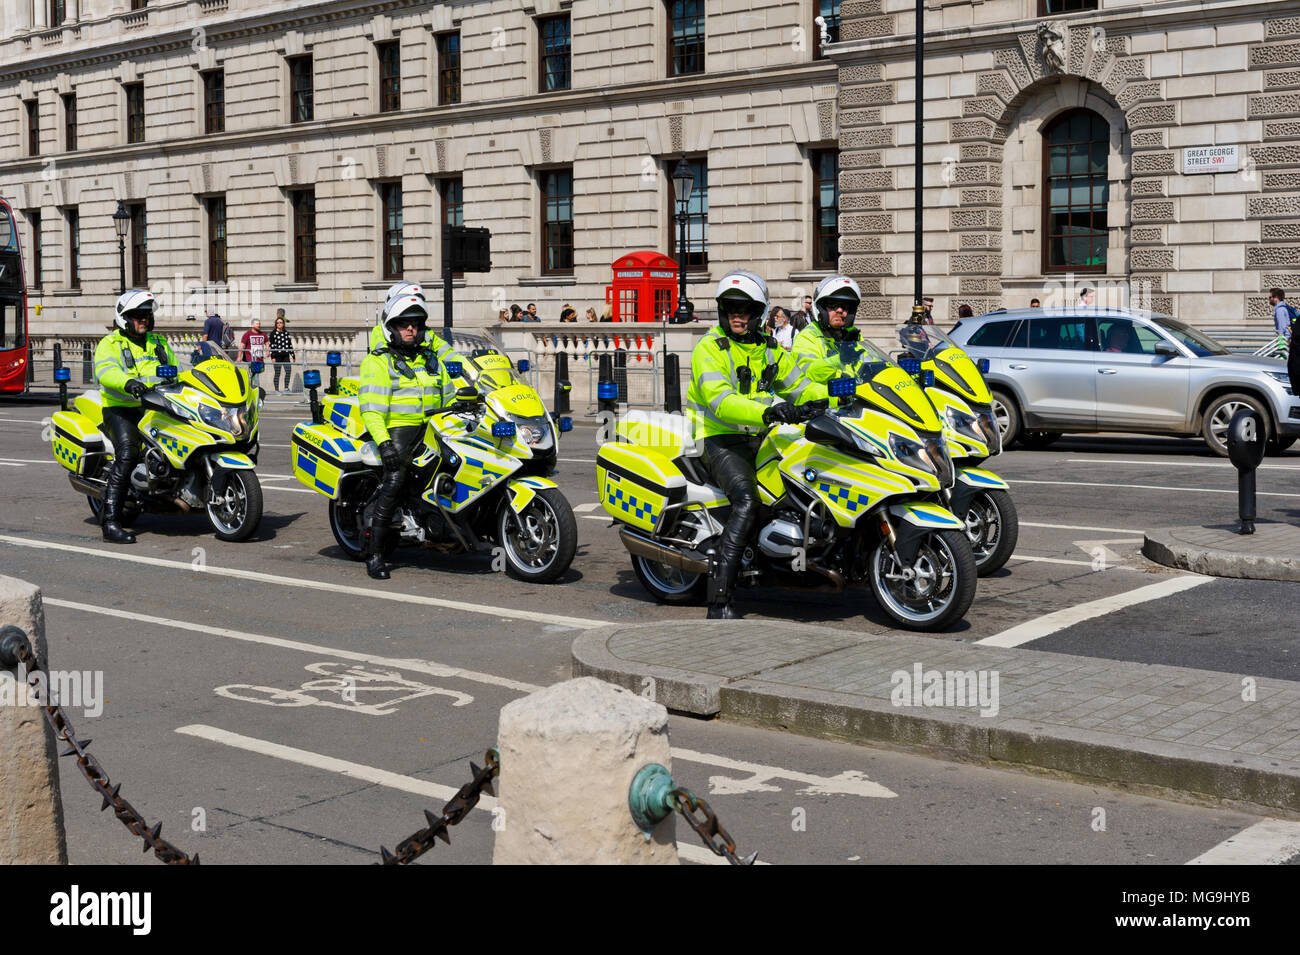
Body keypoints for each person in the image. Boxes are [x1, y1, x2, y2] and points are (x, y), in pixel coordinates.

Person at [686, 270, 828, 619]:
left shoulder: (768, 348)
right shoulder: (710, 348)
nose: (738, 315)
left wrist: (834, 398)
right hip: (717, 436)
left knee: (801, 483)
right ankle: (719, 597)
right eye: (732, 308)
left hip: (760, 433)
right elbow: (720, 400)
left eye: (746, 309)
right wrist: (771, 410)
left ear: (758, 313)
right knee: (748, 500)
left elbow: (798, 384)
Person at [357, 296, 457, 580]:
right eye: (403, 324)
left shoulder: (431, 360)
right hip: (400, 430)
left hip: (434, 428)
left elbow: (449, 395)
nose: (411, 329)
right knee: (395, 480)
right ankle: (376, 554)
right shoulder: (378, 363)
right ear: (391, 329)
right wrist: (385, 444)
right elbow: (372, 410)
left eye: (415, 324)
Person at [92, 290, 179, 544]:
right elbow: (106, 372)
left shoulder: (159, 344)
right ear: (123, 318)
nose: (144, 320)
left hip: (157, 406)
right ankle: (110, 523)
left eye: (146, 315)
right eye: (137, 315)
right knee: (129, 452)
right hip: (121, 408)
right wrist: (128, 383)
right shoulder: (110, 344)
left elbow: (179, 373)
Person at [792, 275, 864, 384]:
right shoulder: (808, 336)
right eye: (833, 305)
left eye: (845, 306)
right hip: (825, 398)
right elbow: (808, 372)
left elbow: (869, 361)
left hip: (858, 395)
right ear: (821, 309)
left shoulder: (853, 335)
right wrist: (840, 360)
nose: (840, 310)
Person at [268, 311, 295, 393]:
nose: (279, 324)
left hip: (286, 355)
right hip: (277, 356)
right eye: (278, 323)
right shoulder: (273, 333)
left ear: (283, 324)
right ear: (276, 324)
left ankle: (286, 388)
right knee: (277, 373)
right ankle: (276, 389)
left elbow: (290, 344)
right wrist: (272, 357)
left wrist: (293, 355)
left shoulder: (286, 333)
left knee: (288, 371)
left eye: (281, 322)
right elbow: (271, 346)